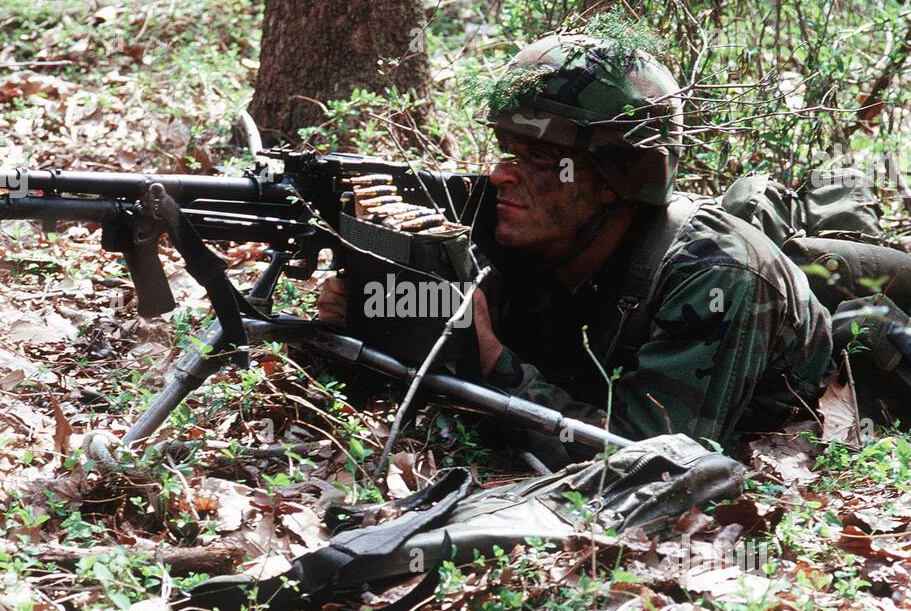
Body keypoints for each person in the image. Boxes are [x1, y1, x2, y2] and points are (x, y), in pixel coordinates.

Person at [321, 31, 834, 464]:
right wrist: (369, 322)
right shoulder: (526, 234)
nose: (500, 175)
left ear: (619, 176)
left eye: (540, 158)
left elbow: (653, 459)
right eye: (506, 151)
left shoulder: (716, 276)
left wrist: (492, 358)